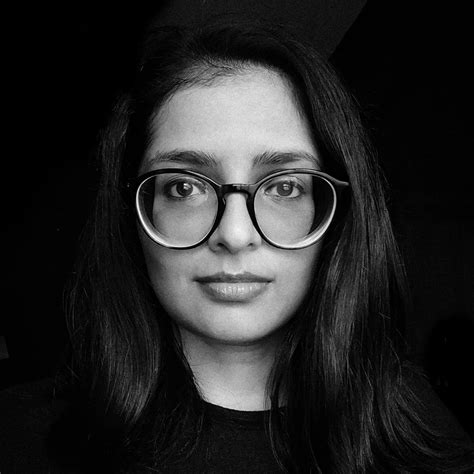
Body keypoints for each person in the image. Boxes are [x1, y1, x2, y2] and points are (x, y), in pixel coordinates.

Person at [2, 12, 474, 474]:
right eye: (184, 187)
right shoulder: (17, 439)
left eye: (284, 187)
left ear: (333, 215)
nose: (234, 234)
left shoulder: (423, 437)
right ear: (134, 212)